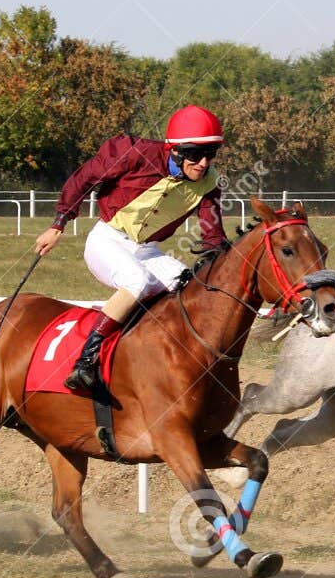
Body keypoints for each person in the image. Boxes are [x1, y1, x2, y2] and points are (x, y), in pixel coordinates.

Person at [34, 105, 226, 398]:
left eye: (209, 155)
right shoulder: (133, 153)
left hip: (148, 250)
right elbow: (84, 178)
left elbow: (213, 234)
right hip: (107, 240)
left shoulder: (209, 184)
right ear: (174, 149)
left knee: (186, 285)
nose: (202, 163)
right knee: (137, 282)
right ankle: (86, 360)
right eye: (194, 154)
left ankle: (156, 360)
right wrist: (59, 222)